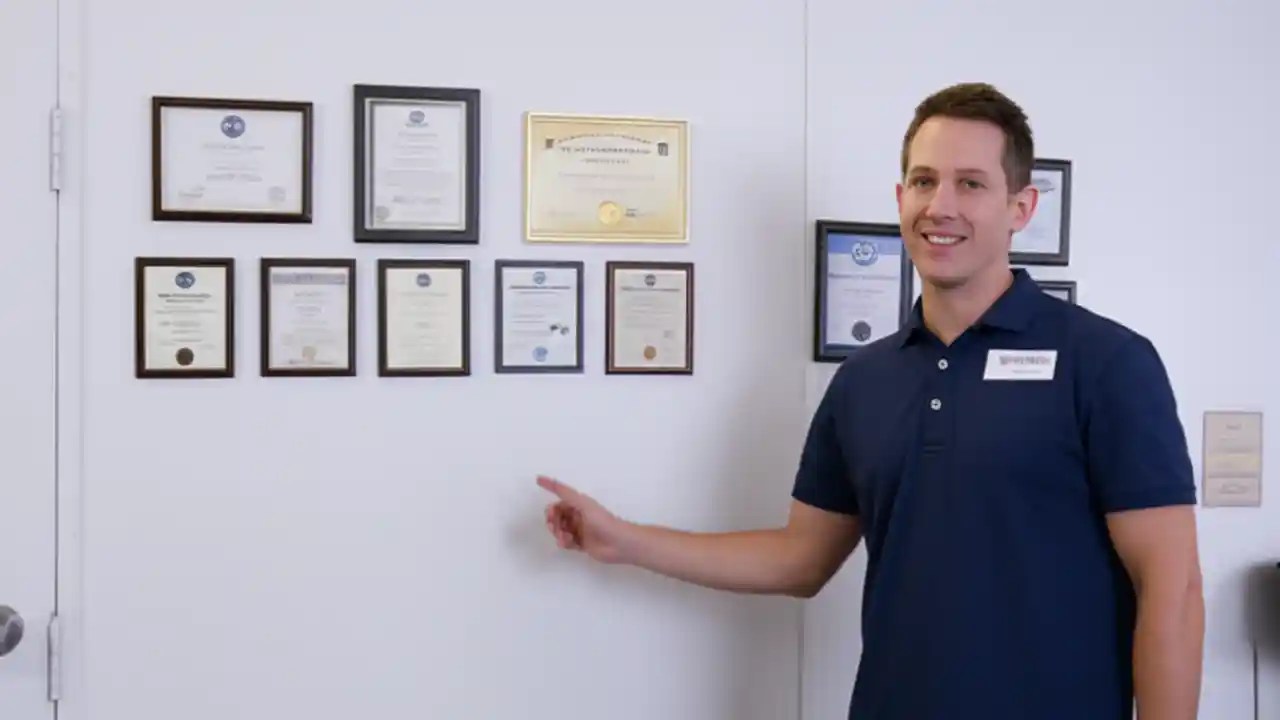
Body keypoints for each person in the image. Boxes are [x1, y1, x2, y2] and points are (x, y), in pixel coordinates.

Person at [537, 82, 1204, 720]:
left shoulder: (1106, 363)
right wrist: (625, 541)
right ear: (900, 196)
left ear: (1020, 208)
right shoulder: (865, 380)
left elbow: (1171, 592)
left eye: (970, 183)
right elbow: (800, 560)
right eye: (923, 181)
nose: (941, 204)